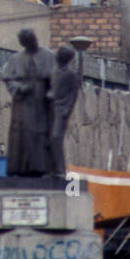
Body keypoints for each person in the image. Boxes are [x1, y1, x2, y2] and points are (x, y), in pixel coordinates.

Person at [1, 29, 55, 176]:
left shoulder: (48, 56)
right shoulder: (15, 59)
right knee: (21, 136)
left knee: (40, 135)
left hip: (41, 102)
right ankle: (18, 169)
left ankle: (41, 168)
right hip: (22, 103)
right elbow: (7, 77)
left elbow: (55, 79)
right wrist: (19, 88)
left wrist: (50, 94)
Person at [48, 44, 80, 176]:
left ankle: (60, 170)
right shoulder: (52, 72)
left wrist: (67, 109)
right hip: (49, 108)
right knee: (46, 139)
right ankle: (49, 169)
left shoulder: (71, 75)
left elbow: (74, 94)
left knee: (56, 138)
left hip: (61, 110)